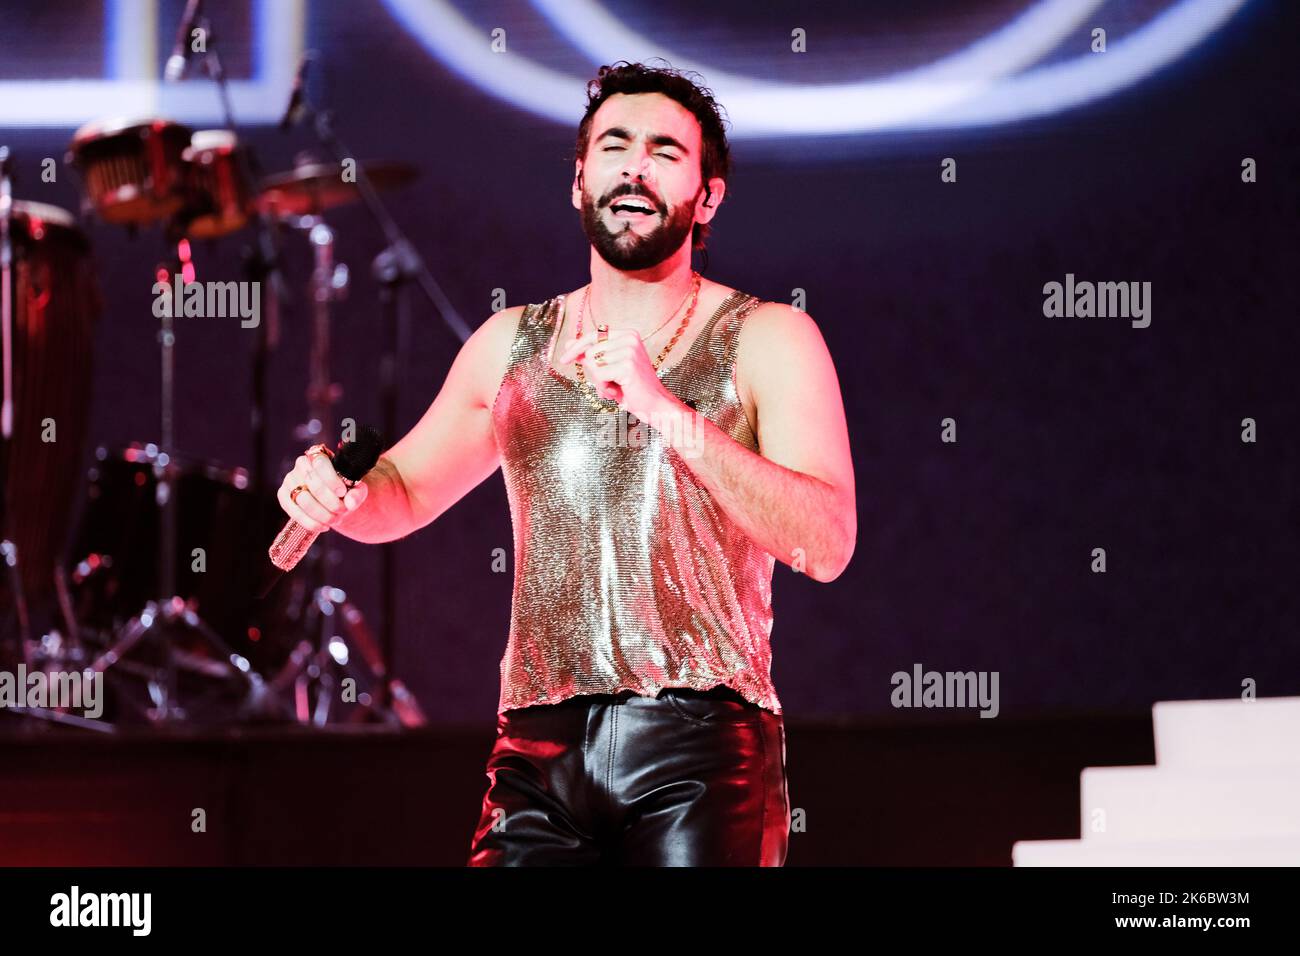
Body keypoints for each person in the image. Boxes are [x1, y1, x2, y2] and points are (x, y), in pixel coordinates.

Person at [276, 60, 856, 866]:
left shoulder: (767, 337)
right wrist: (337, 495)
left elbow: (824, 542)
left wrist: (665, 410)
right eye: (615, 147)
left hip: (699, 750)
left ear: (708, 196)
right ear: (579, 180)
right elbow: (401, 493)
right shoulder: (509, 345)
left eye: (665, 151)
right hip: (536, 754)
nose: (635, 167)